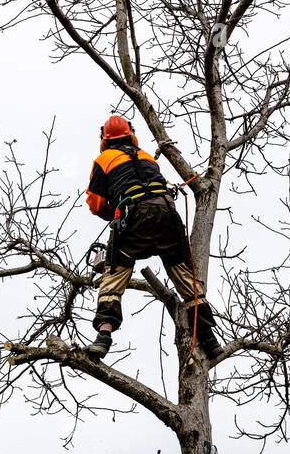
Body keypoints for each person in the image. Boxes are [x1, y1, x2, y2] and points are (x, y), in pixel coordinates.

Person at [83, 115, 224, 362]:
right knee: (185, 277)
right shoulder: (147, 156)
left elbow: (95, 204)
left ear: (104, 139)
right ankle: (208, 337)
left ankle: (103, 337)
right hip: (167, 214)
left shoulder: (103, 160)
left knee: (113, 278)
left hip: (133, 220)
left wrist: (113, 214)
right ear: (130, 135)